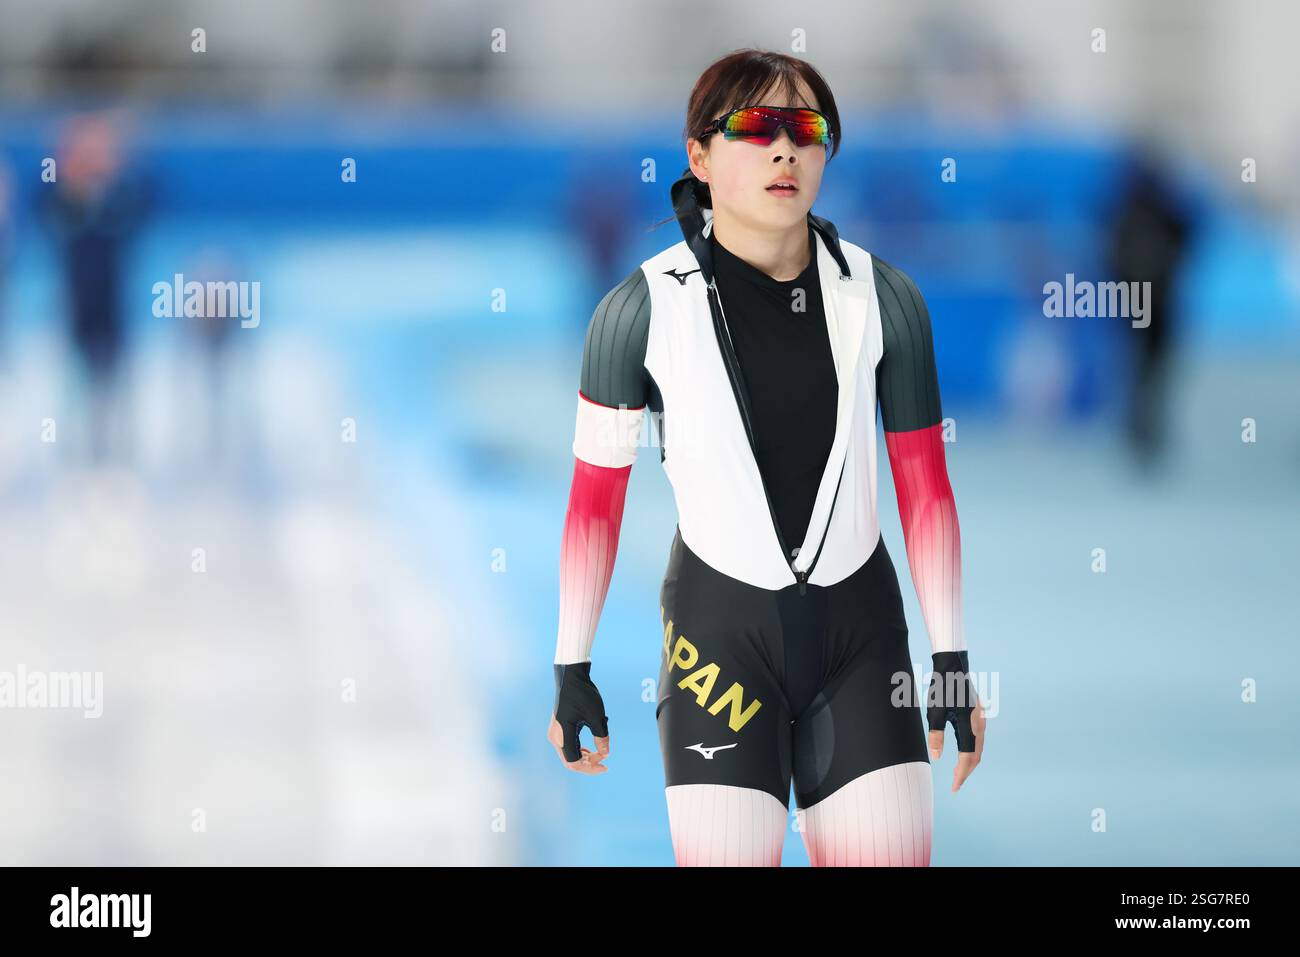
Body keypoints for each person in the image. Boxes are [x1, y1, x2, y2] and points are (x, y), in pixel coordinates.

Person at [548, 49, 985, 866]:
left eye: (805, 129)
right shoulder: (636, 312)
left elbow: (926, 490)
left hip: (861, 647)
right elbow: (593, 504)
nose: (784, 148)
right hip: (717, 650)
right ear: (700, 156)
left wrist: (952, 658)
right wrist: (573, 663)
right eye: (754, 127)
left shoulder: (886, 299)